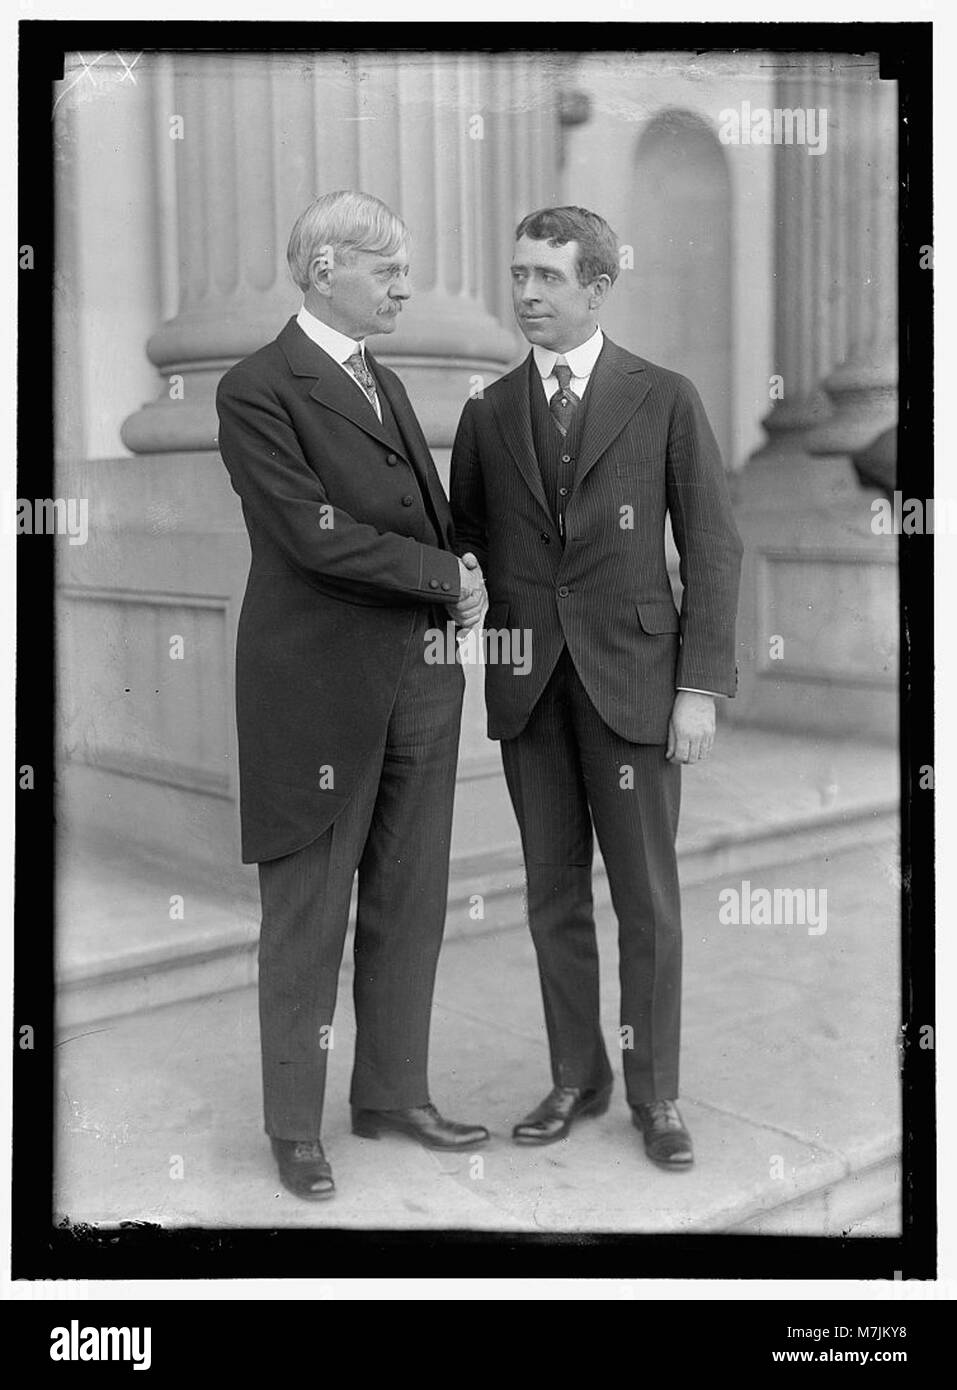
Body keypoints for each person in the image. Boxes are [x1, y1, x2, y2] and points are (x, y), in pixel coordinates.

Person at [450, 206, 742, 1169]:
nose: (526, 294)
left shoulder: (661, 396)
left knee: (647, 901)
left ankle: (654, 1094)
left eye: (547, 277)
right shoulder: (488, 412)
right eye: (518, 275)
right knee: (550, 894)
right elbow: (470, 543)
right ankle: (577, 1075)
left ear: (597, 288)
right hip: (530, 690)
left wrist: (698, 687)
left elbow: (710, 545)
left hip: (637, 685)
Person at [216, 190, 489, 1201]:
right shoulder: (257, 387)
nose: (406, 286)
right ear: (326, 269)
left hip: (419, 678)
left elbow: (430, 513)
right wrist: (441, 577)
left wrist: (468, 564)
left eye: (408, 269)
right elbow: (311, 533)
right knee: (307, 913)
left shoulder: (383, 379)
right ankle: (296, 1126)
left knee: (410, 898)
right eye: (388, 270)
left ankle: (391, 1094)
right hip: (317, 689)